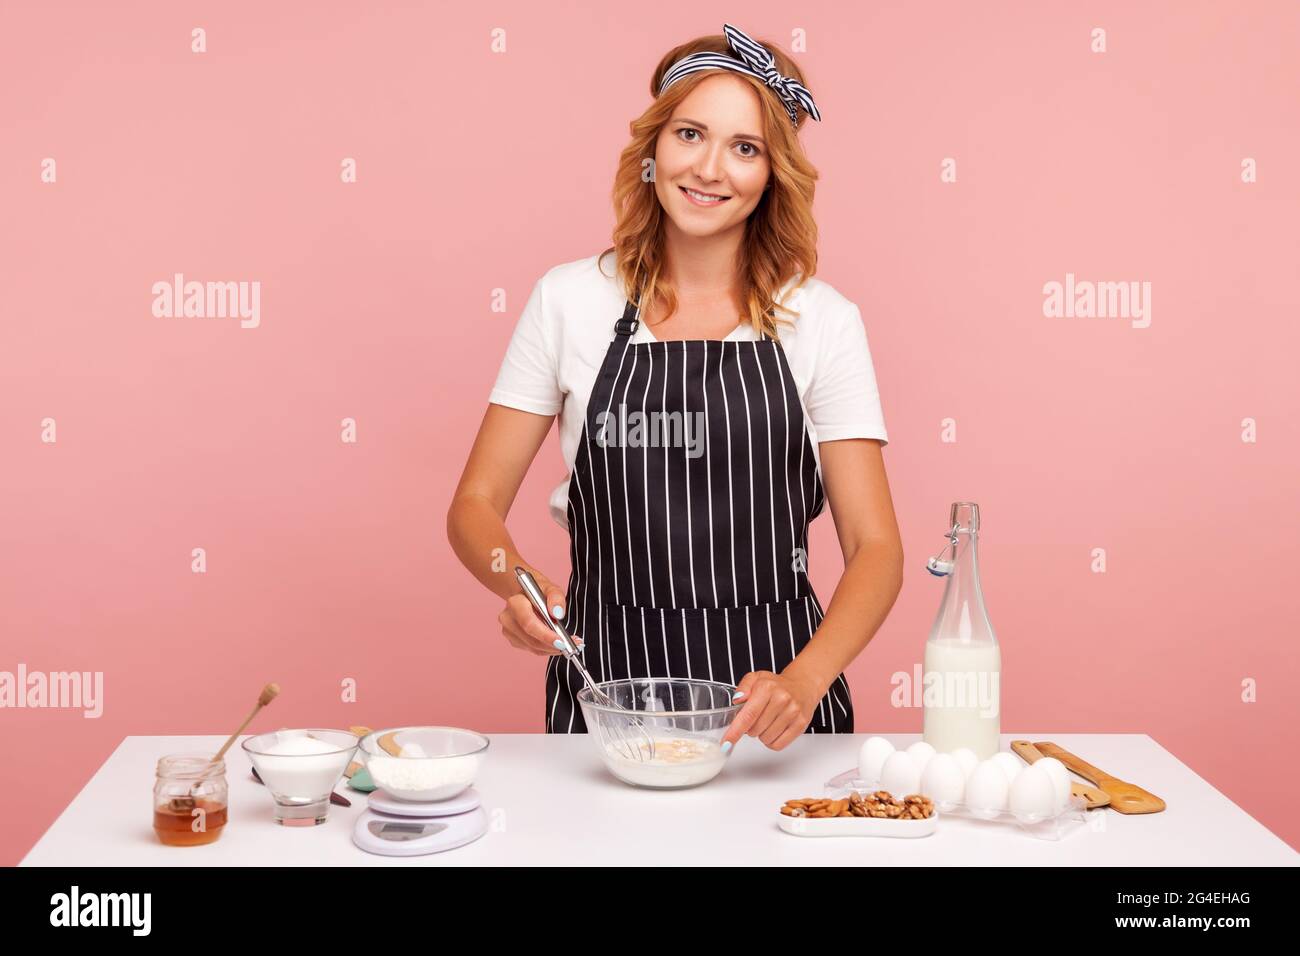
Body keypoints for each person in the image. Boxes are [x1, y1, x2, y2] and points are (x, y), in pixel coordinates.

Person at [447, 24, 903, 753]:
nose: (711, 168)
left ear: (772, 172)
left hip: (774, 705)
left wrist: (808, 678)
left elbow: (875, 546)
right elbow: (473, 506)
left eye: (745, 148)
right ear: (654, 149)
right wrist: (521, 585)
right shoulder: (568, 300)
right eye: (691, 134)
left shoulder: (823, 321)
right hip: (607, 699)